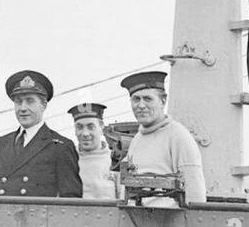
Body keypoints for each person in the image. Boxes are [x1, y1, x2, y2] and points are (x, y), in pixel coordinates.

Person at [119, 71, 207, 205]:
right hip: (137, 220)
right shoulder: (137, 140)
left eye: (147, 99)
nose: (141, 105)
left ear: (163, 101)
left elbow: (195, 193)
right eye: (136, 99)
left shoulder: (178, 135)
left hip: (169, 221)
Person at [0, 72, 82, 198]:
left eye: (30, 101)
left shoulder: (60, 145)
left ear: (43, 105)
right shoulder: (2, 142)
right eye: (18, 102)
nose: (22, 108)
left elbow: (70, 199)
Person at [69, 101, 117, 200]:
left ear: (101, 127)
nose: (85, 133)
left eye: (91, 127)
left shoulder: (115, 161)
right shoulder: (68, 161)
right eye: (79, 127)